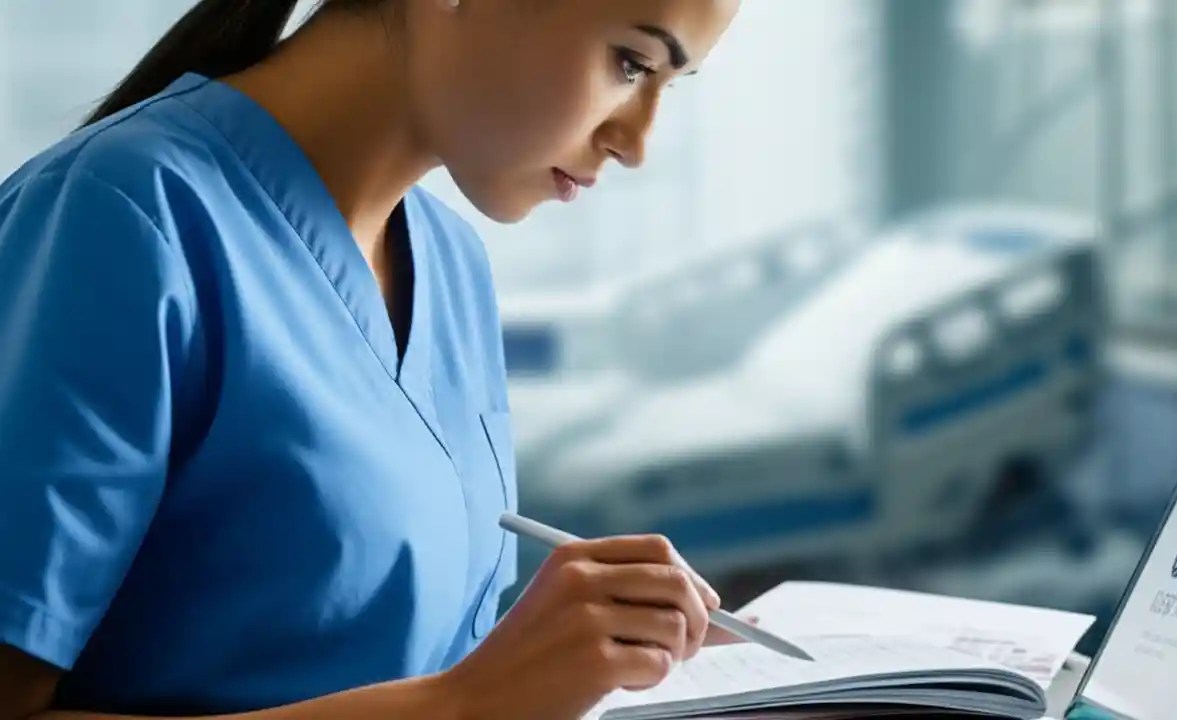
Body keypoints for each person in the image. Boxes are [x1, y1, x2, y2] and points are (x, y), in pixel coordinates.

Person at [0, 0, 740, 718]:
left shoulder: (452, 265)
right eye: (631, 63)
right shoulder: (116, 217)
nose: (638, 143)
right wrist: (464, 705)